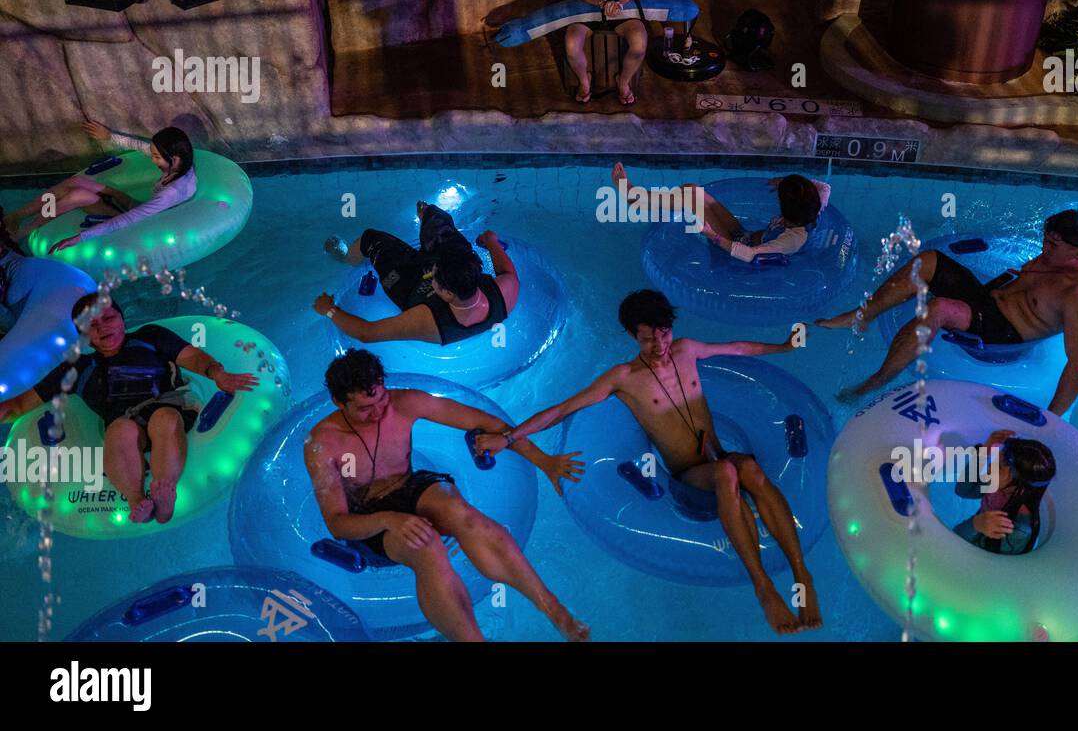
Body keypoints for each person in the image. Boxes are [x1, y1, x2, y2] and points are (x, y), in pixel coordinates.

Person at [475, 289, 821, 635]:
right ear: (631, 336)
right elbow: (563, 409)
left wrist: (784, 346)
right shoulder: (624, 378)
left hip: (720, 458)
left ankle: (801, 574)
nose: (660, 346)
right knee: (729, 471)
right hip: (689, 479)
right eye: (647, 339)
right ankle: (763, 587)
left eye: (664, 334)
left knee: (749, 469)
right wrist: (506, 439)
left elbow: (739, 348)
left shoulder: (686, 350)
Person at [303, 348, 589, 641]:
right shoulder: (323, 444)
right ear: (339, 402)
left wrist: (546, 463)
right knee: (427, 546)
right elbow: (337, 523)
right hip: (369, 517)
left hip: (409, 485)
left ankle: (553, 608)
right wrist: (389, 519)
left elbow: (492, 424)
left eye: (381, 399)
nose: (377, 413)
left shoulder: (406, 403)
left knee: (461, 513)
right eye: (365, 408)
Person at [0, 295, 258, 523]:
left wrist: (216, 373)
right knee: (120, 430)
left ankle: (164, 492)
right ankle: (137, 500)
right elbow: (21, 404)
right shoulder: (75, 368)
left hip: (169, 406)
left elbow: (192, 357)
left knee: (164, 418)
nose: (102, 328)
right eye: (92, 324)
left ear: (122, 319)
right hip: (121, 425)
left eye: (108, 318)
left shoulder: (149, 336)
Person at [819, 209, 1078, 415]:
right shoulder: (1056, 255)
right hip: (987, 302)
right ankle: (863, 316)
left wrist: (1050, 418)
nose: (1044, 248)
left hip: (1003, 331)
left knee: (938, 308)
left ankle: (875, 381)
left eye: (1053, 245)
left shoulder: (1077, 295)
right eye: (1046, 240)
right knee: (928, 261)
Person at [316, 200, 518, 347]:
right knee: (436, 219)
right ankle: (429, 218)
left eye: (434, 278)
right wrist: (490, 241)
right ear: (476, 270)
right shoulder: (505, 291)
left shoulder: (428, 322)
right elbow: (506, 270)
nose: (431, 273)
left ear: (446, 293)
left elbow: (366, 333)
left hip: (409, 286)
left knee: (372, 239)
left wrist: (329, 309)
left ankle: (345, 257)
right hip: (456, 268)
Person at [3, 121, 196, 253]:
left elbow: (127, 220)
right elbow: (139, 145)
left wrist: (80, 238)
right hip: (138, 206)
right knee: (74, 182)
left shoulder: (172, 192)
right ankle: (15, 216)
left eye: (156, 157)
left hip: (143, 224)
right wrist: (109, 136)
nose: (152, 159)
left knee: (78, 194)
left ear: (175, 159)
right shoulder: (177, 164)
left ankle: (23, 232)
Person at [612, 162, 830, 264]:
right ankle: (636, 199)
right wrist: (785, 182)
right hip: (744, 235)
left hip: (734, 251)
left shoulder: (792, 240)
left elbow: (750, 255)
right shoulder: (812, 209)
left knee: (691, 200)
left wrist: (712, 236)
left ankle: (634, 197)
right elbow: (825, 188)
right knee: (692, 190)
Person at [952, 431, 1056, 555]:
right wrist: (983, 453)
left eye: (999, 467)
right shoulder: (998, 486)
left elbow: (955, 542)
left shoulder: (1017, 530)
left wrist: (974, 525)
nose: (990, 466)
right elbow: (963, 491)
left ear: (1020, 486)